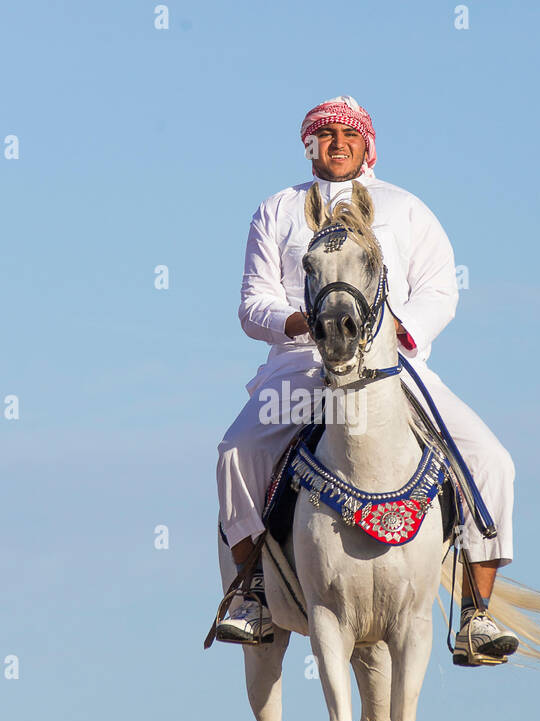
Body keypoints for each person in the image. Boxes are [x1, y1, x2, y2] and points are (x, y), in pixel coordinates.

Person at [215, 95, 517, 664]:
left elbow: (439, 288)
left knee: (492, 460)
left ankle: (476, 613)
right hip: (303, 364)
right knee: (237, 451)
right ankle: (250, 589)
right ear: (308, 146)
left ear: (367, 145)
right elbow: (253, 300)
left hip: (392, 365)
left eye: (348, 136)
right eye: (324, 135)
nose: (337, 144)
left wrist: (403, 330)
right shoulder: (276, 210)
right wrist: (297, 322)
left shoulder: (405, 208)